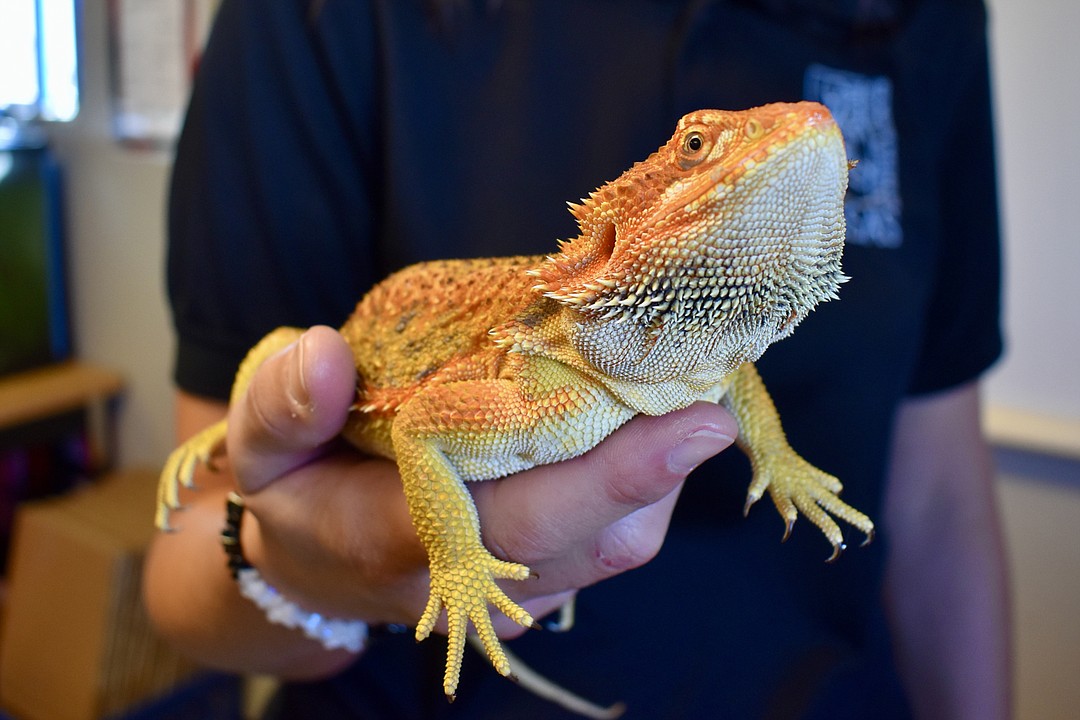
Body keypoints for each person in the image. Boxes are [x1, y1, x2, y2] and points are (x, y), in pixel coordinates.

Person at [143, 0, 1011, 717]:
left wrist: (775, 459)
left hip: (832, 692)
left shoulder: (690, 349)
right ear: (624, 226)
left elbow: (932, 497)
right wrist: (381, 561)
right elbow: (423, 434)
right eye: (704, 148)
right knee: (288, 357)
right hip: (400, 687)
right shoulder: (548, 389)